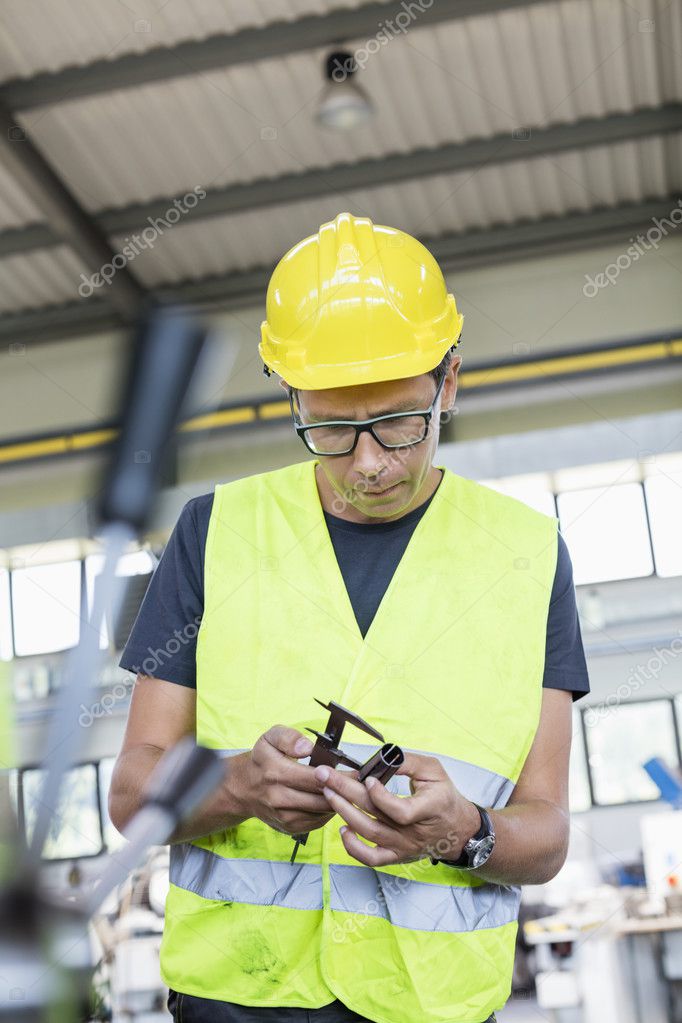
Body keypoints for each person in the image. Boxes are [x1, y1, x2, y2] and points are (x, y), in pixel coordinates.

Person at [110, 212, 590, 1023]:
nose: (368, 463)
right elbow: (129, 794)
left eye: (399, 422)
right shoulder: (213, 533)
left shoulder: (528, 553)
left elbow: (545, 833)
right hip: (237, 998)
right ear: (291, 396)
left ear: (450, 383)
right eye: (331, 427)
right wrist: (235, 786)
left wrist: (467, 832)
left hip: (432, 1005)